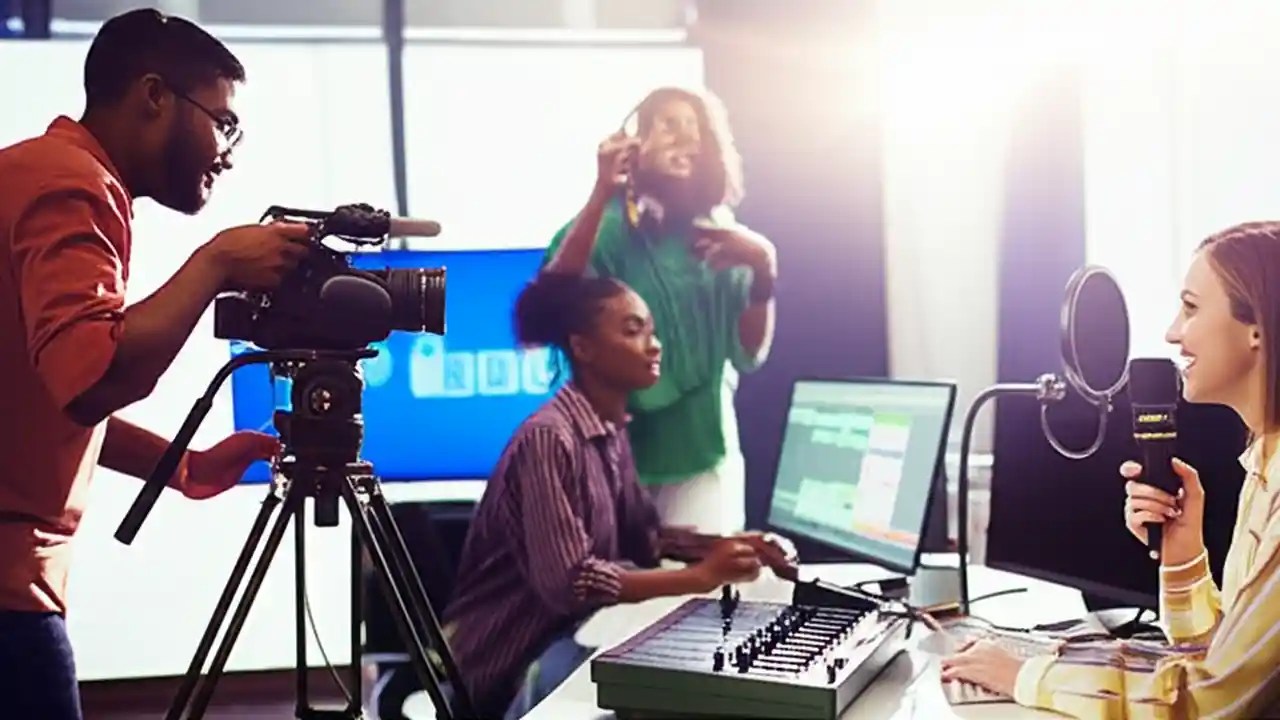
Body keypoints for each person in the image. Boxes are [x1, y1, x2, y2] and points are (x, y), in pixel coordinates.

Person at [0, 10, 311, 719]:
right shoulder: (70, 183)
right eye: (224, 124)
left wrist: (181, 467)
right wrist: (216, 264)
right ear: (153, 96)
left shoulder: (36, 171)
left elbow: (39, 396)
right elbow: (88, 379)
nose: (227, 155)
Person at [941, 220, 1280, 718]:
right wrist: (1182, 555)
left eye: (1190, 308)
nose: (1172, 332)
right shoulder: (1265, 462)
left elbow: (1213, 700)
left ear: (1258, 329)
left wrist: (1025, 675)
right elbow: (1218, 658)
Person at [438, 271, 793, 719]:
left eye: (651, 330)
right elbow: (572, 584)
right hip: (506, 667)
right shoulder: (549, 438)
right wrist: (700, 577)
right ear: (583, 348)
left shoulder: (609, 430)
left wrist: (734, 546)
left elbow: (644, 537)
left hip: (568, 638)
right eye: (633, 330)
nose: (654, 345)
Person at [542, 86, 777, 535]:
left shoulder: (722, 238)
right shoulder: (606, 230)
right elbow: (551, 299)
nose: (684, 137)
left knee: (705, 579)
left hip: (701, 459)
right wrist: (601, 191)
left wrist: (764, 269)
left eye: (695, 128)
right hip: (612, 455)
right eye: (669, 124)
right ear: (636, 141)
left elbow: (749, 355)